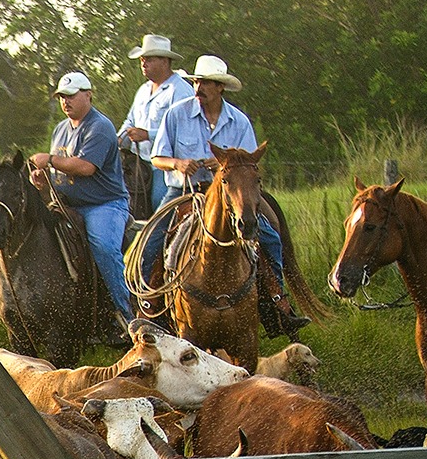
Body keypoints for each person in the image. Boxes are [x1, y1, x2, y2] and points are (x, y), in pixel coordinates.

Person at [147, 54, 310, 334]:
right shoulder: (176, 114)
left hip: (230, 196)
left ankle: (277, 305)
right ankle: (150, 307)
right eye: (197, 82)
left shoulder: (239, 121)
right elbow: (156, 157)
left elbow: (250, 163)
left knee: (270, 239)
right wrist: (178, 163)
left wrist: (225, 164)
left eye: (206, 83)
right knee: (151, 240)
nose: (199, 88)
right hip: (184, 191)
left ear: (220, 87)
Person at [30, 71, 134, 329]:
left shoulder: (100, 126)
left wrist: (49, 160)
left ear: (88, 95)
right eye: (62, 97)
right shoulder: (60, 129)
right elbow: (59, 171)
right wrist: (44, 179)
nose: (65, 102)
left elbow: (86, 167)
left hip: (104, 204)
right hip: (66, 204)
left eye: (71, 96)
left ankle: (129, 316)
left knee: (104, 247)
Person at [118, 35, 192, 215]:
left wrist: (148, 135)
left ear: (165, 61)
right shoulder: (143, 90)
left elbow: (184, 131)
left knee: (160, 203)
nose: (144, 63)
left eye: (149, 59)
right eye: (142, 59)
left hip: (165, 164)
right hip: (138, 162)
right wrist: (119, 139)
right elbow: (130, 120)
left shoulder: (180, 90)